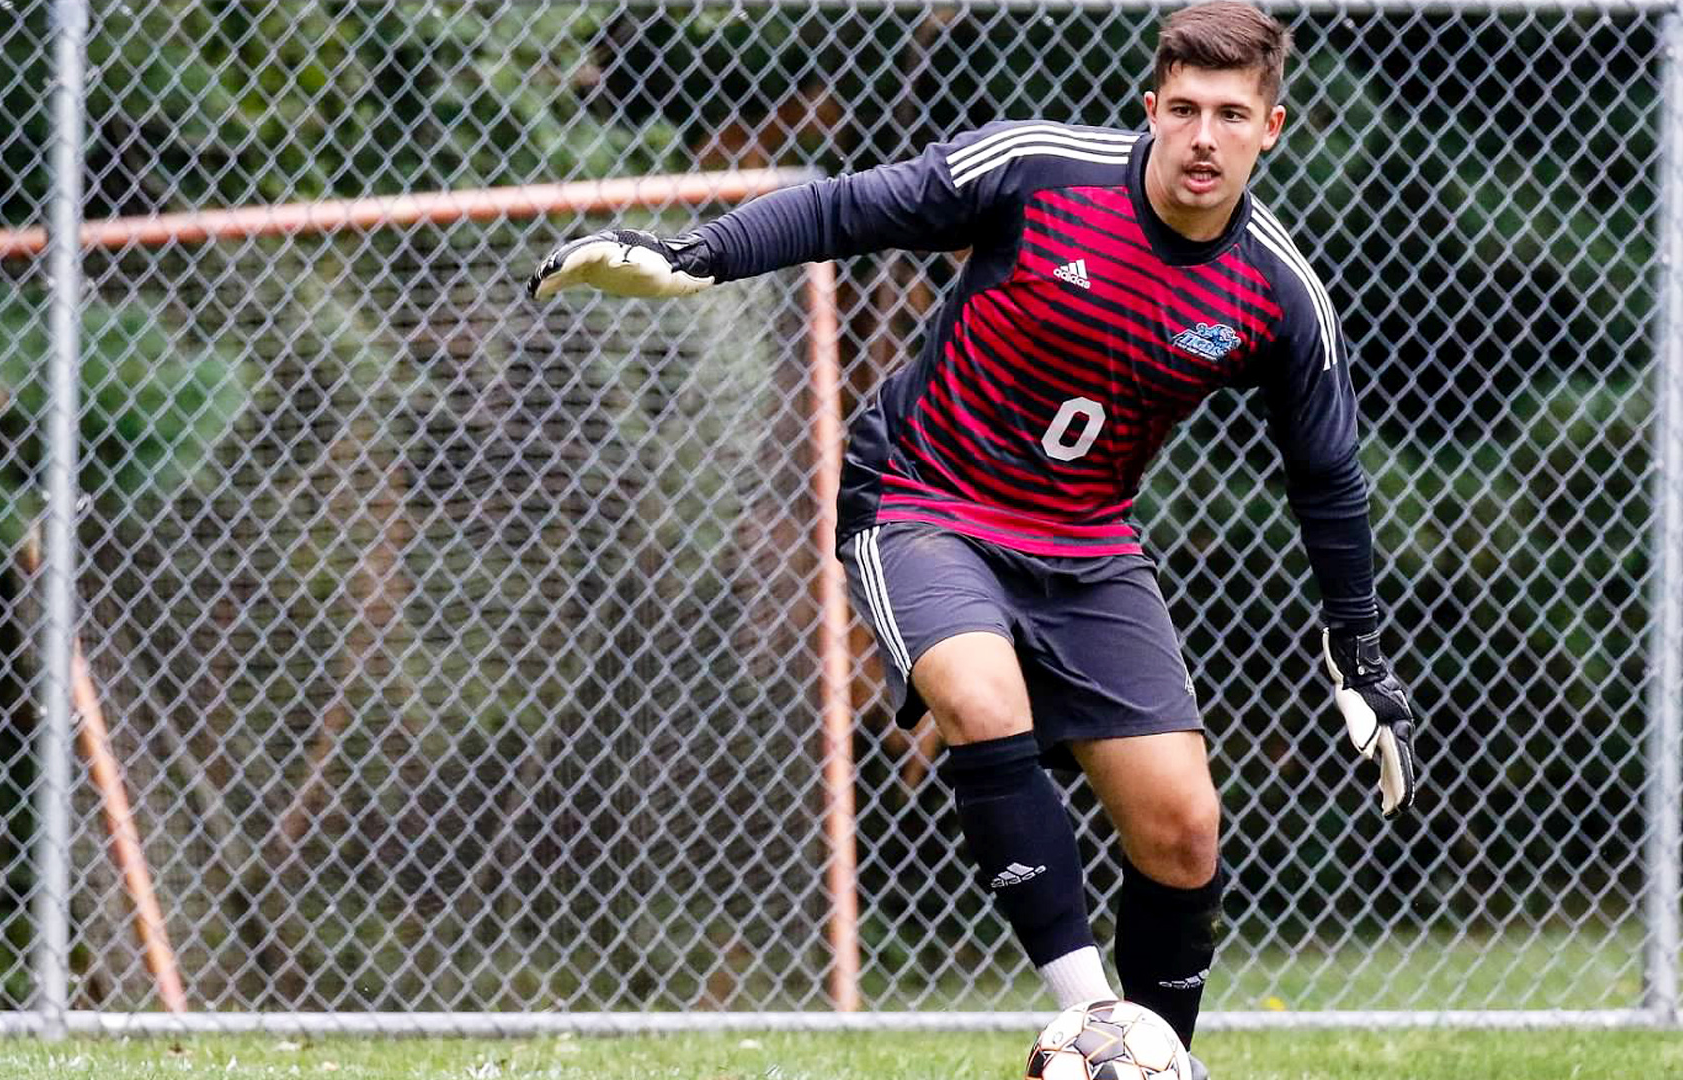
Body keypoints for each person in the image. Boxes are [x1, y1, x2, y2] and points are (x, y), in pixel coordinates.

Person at [527, 2, 1419, 1073]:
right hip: (925, 498)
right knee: (981, 700)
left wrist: (1359, 651)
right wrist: (693, 256)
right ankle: (1092, 1021)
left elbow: (1327, 476)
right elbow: (850, 207)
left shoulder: (1277, 293)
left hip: (1088, 543)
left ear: (1270, 128)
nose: (1203, 137)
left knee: (1183, 829)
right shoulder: (1041, 171)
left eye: (1231, 115)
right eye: (1183, 109)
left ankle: (1153, 1064)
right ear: (1151, 109)